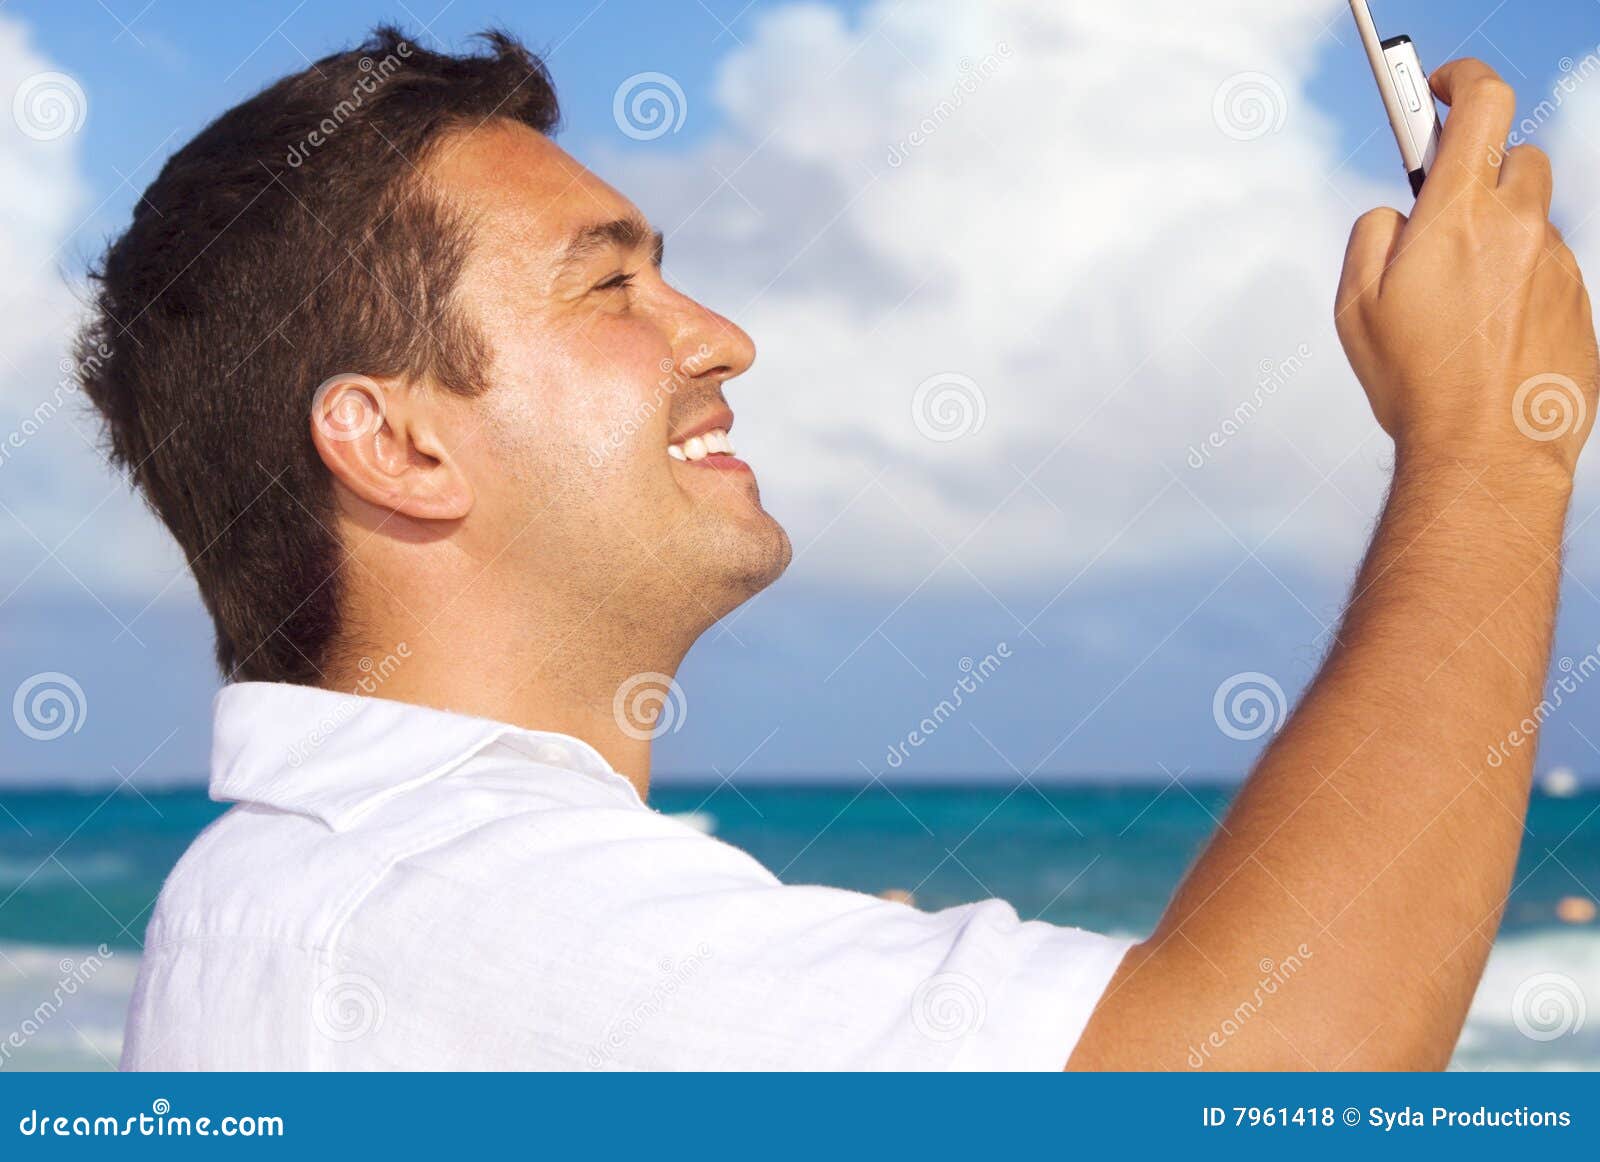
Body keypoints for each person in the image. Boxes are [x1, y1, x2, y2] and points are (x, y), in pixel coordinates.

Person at [88, 27, 1594, 1070]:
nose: (721, 337)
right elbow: (1274, 1085)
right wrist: (1492, 448)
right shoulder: (468, 913)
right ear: (400, 442)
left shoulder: (280, 887)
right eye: (609, 289)